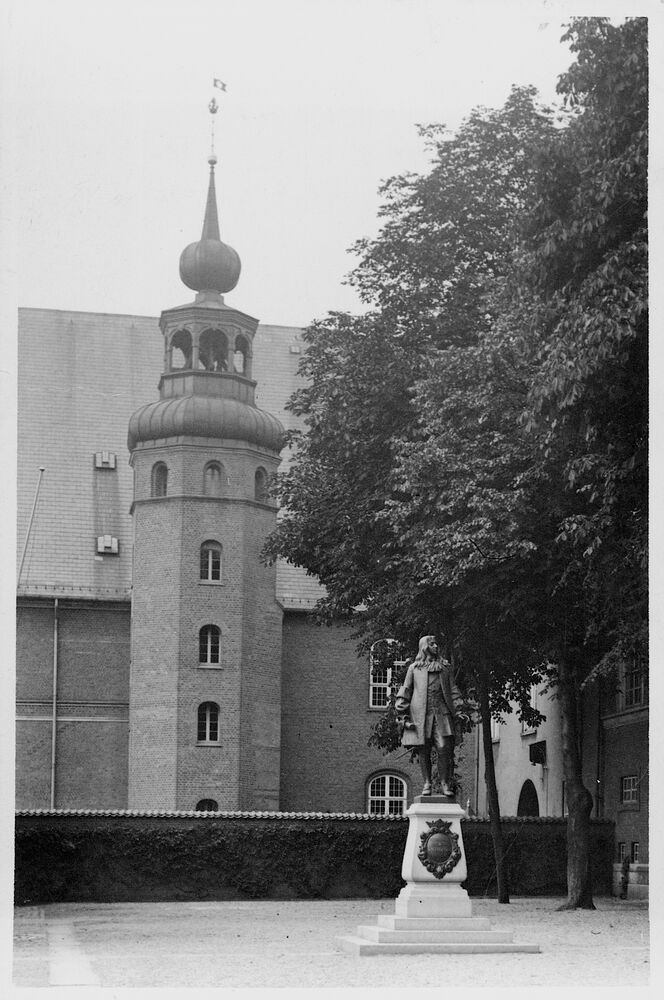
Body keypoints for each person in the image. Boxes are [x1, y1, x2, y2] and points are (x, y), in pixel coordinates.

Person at [395, 634, 464, 797]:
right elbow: (406, 689)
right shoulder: (414, 668)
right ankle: (427, 783)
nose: (436, 646)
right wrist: (401, 711)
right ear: (425, 647)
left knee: (443, 748)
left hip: (441, 713)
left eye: (436, 644)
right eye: (432, 644)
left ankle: (444, 783)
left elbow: (453, 689)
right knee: (423, 750)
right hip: (421, 714)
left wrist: (459, 707)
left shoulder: (445, 667)